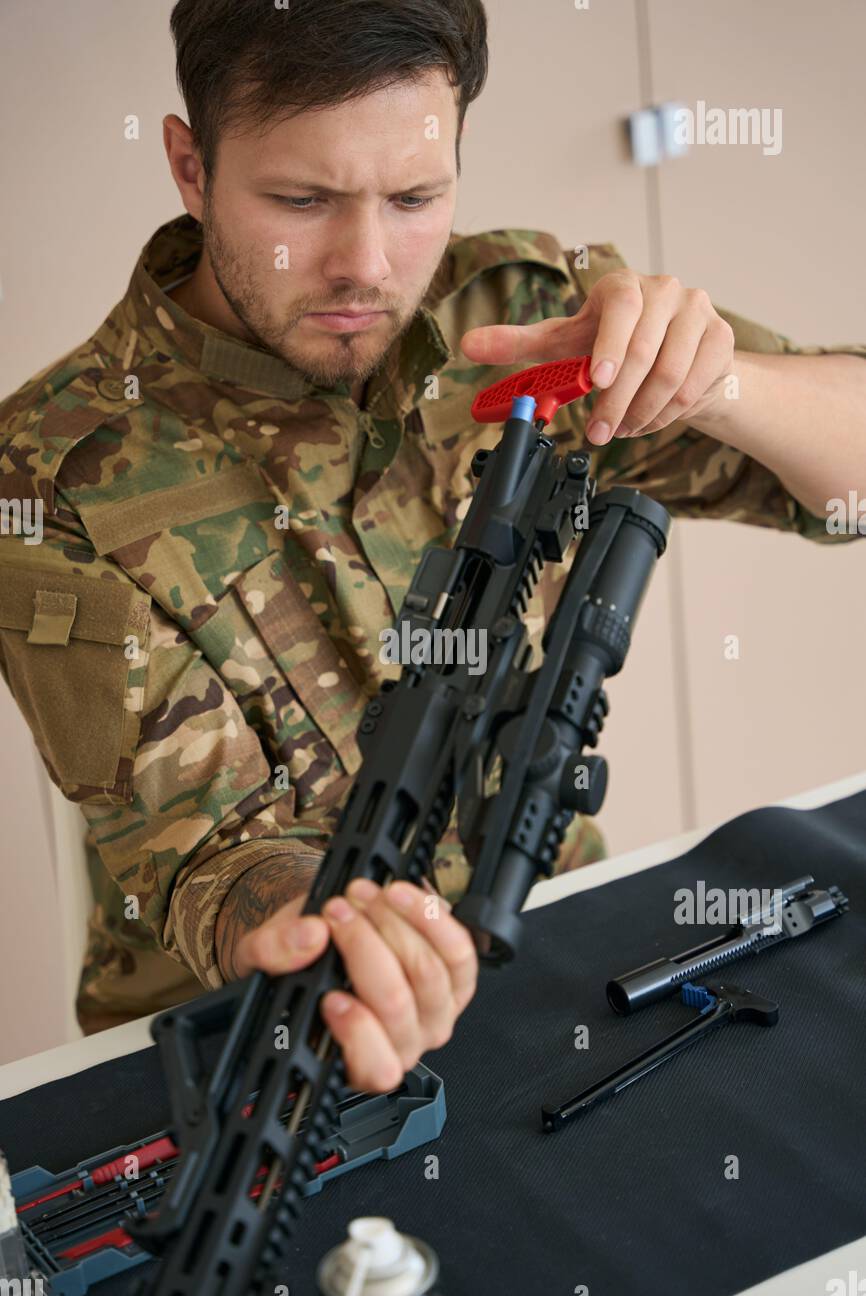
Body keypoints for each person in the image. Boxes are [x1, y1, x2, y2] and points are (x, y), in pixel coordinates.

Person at [1, 0, 864, 1092]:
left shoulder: (527, 314)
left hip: (555, 946)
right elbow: (208, 853)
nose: (364, 264)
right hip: (255, 1043)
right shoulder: (49, 470)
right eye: (300, 200)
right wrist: (310, 928)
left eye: (414, 197)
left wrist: (714, 381)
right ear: (189, 164)